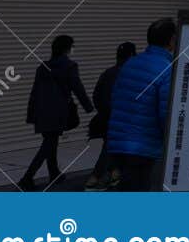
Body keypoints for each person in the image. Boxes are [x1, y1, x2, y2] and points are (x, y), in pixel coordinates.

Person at [109, 17, 176, 191]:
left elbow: (116, 98)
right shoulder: (167, 68)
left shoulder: (131, 63)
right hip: (145, 146)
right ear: (171, 40)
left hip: (120, 142)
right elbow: (165, 113)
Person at [20, 34, 94, 191]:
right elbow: (77, 87)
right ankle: (27, 178)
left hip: (41, 111)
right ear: (67, 49)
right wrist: (88, 107)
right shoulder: (69, 66)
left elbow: (34, 92)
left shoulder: (42, 67)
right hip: (57, 112)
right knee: (48, 145)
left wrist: (31, 114)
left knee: (50, 142)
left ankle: (54, 173)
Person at [85, 41, 135, 190]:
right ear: (131, 56)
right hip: (121, 118)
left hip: (105, 117)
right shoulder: (129, 74)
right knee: (111, 147)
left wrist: (102, 110)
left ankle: (114, 173)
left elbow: (96, 95)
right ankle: (96, 178)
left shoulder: (107, 73)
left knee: (112, 146)